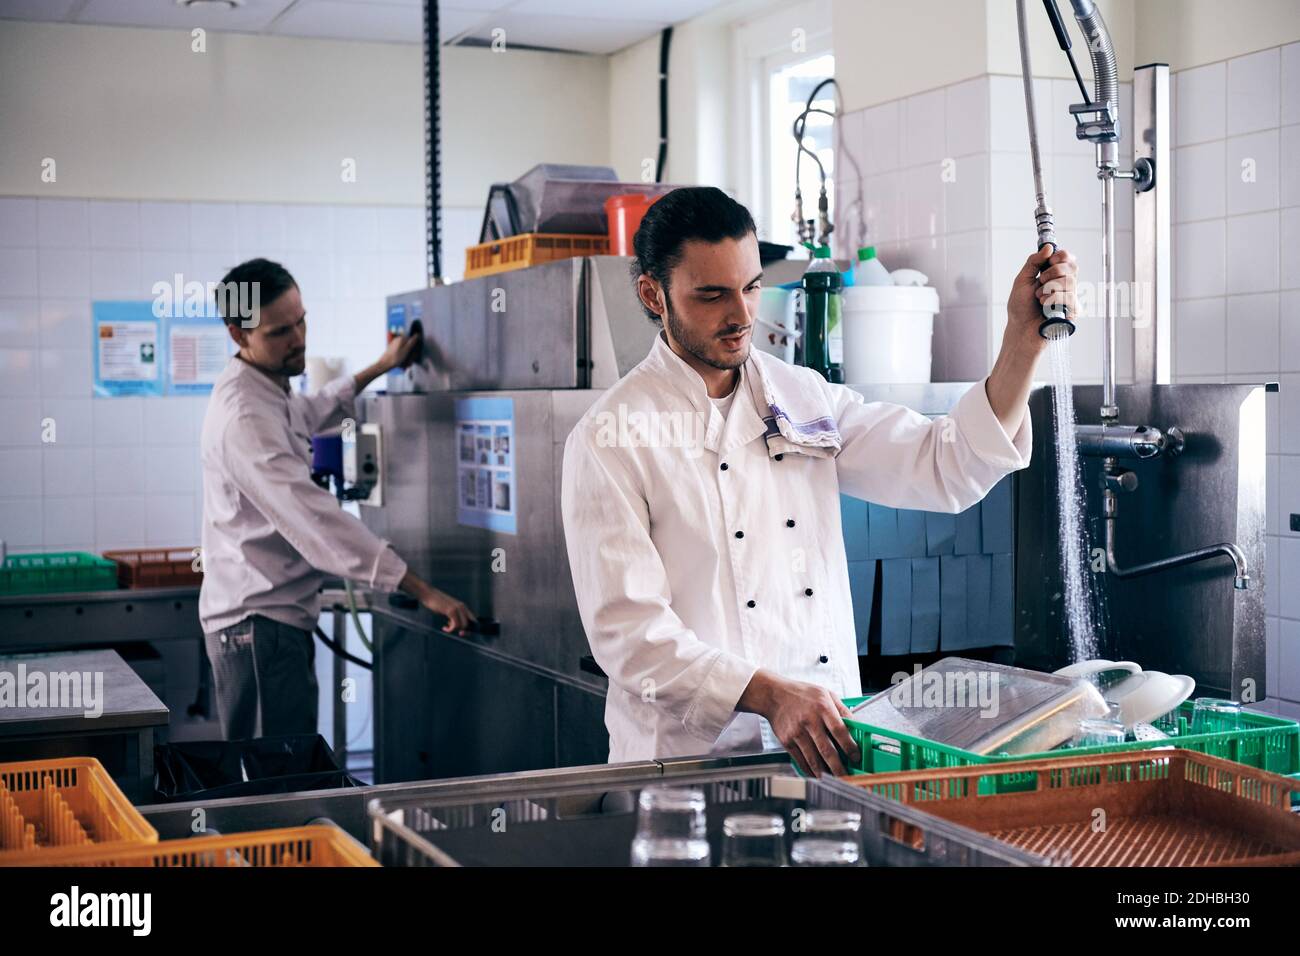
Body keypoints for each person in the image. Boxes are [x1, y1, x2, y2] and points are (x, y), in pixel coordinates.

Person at [560, 187, 1077, 775]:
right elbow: (631, 635)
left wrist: (1020, 341)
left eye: (752, 287)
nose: (742, 316)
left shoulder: (800, 395)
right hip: (686, 767)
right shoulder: (612, 435)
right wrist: (769, 694)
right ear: (653, 294)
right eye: (712, 296)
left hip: (824, 748)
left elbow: (946, 463)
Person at [199, 257, 475, 740]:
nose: (299, 339)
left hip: (272, 620)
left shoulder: (266, 388)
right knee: (274, 783)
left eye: (301, 320)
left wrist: (382, 367)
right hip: (258, 625)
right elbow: (313, 519)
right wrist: (420, 588)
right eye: (280, 332)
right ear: (238, 335)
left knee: (286, 770)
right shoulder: (243, 414)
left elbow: (312, 411)